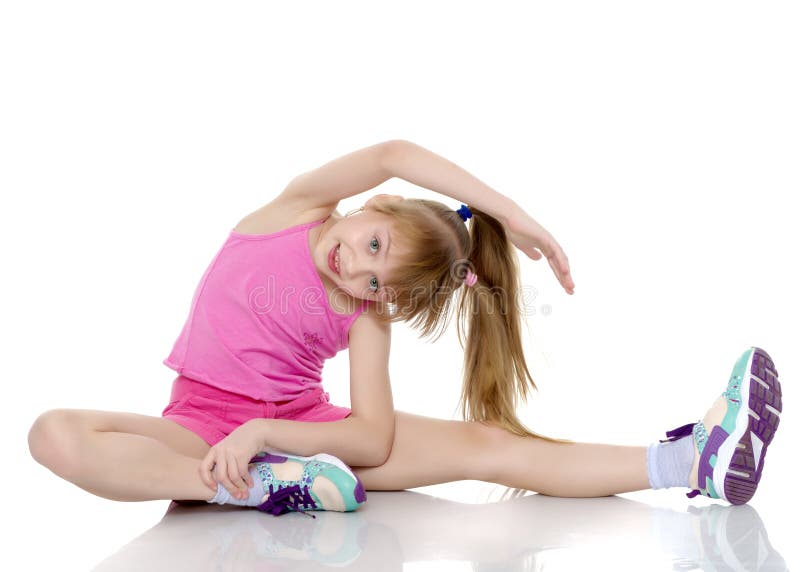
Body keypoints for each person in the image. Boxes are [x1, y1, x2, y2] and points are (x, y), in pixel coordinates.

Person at [27, 140, 782, 517]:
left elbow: (369, 439)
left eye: (374, 278)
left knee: (488, 445)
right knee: (53, 435)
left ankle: (692, 461)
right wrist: (510, 213)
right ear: (372, 206)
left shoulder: (365, 316)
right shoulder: (293, 212)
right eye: (372, 243)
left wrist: (263, 432)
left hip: (297, 435)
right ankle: (253, 491)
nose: (355, 264)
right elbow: (394, 151)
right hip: (198, 428)